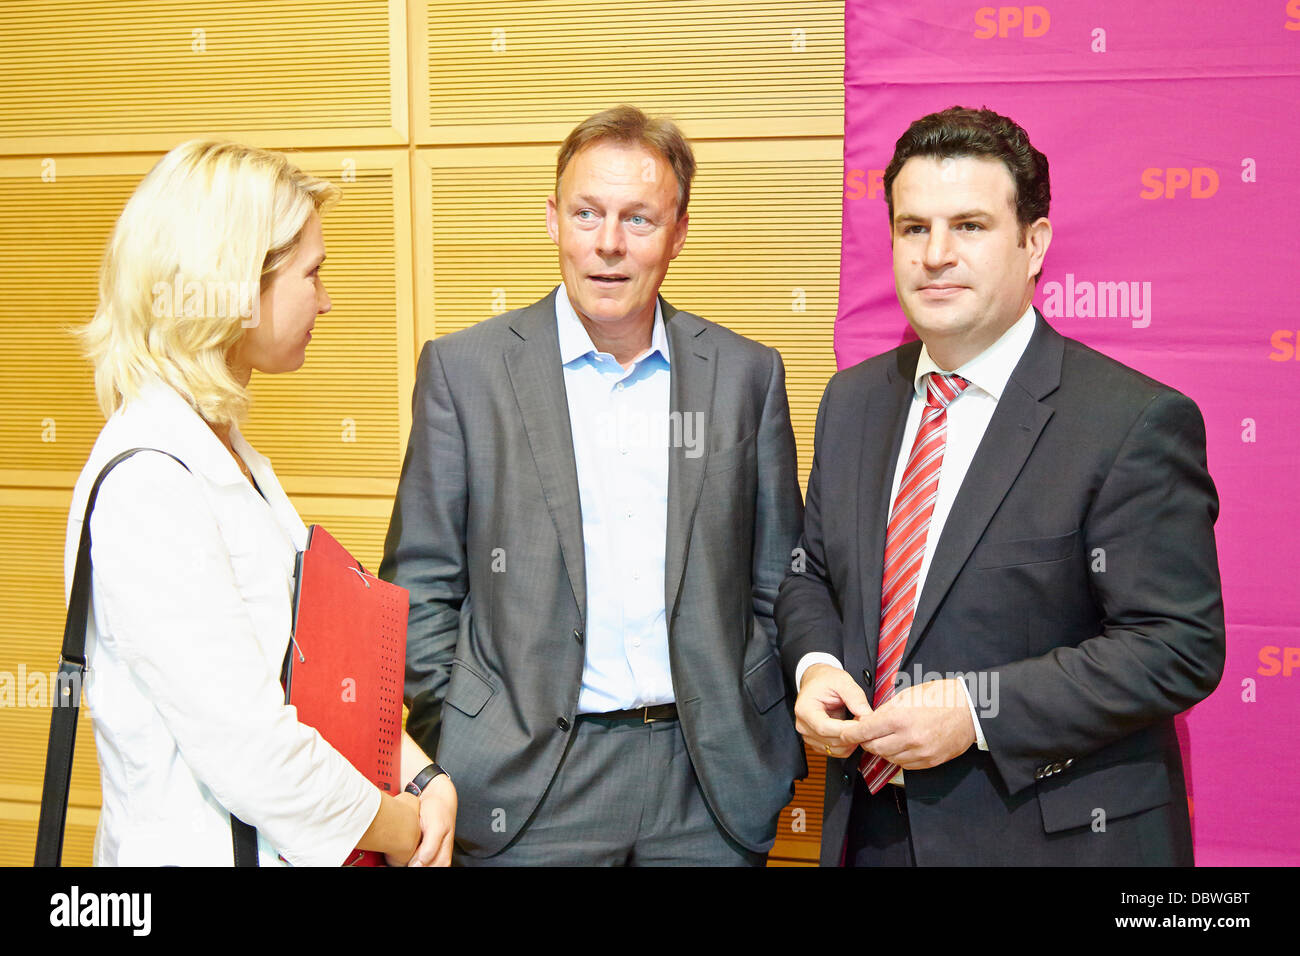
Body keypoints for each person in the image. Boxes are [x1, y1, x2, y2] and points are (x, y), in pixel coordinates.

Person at [776, 106, 1225, 866]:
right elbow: (811, 572)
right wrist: (816, 665)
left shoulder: (1131, 421)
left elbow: (1176, 645)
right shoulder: (851, 401)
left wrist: (976, 711)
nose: (936, 254)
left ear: (1034, 243)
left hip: (1047, 840)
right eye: (913, 228)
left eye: (970, 226)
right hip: (870, 834)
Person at [381, 105, 806, 865]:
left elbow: (778, 582)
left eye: (639, 219)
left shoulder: (747, 375)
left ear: (678, 234)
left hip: (707, 783)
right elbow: (420, 584)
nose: (608, 243)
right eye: (587, 213)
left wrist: (754, 719)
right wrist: (464, 728)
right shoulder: (465, 371)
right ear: (553, 220)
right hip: (529, 785)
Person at [65, 140, 455, 866]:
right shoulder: (150, 484)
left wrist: (423, 779)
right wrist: (404, 831)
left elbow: (309, 673)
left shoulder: (229, 452)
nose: (327, 299)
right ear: (237, 284)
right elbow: (253, 750)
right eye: (313, 273)